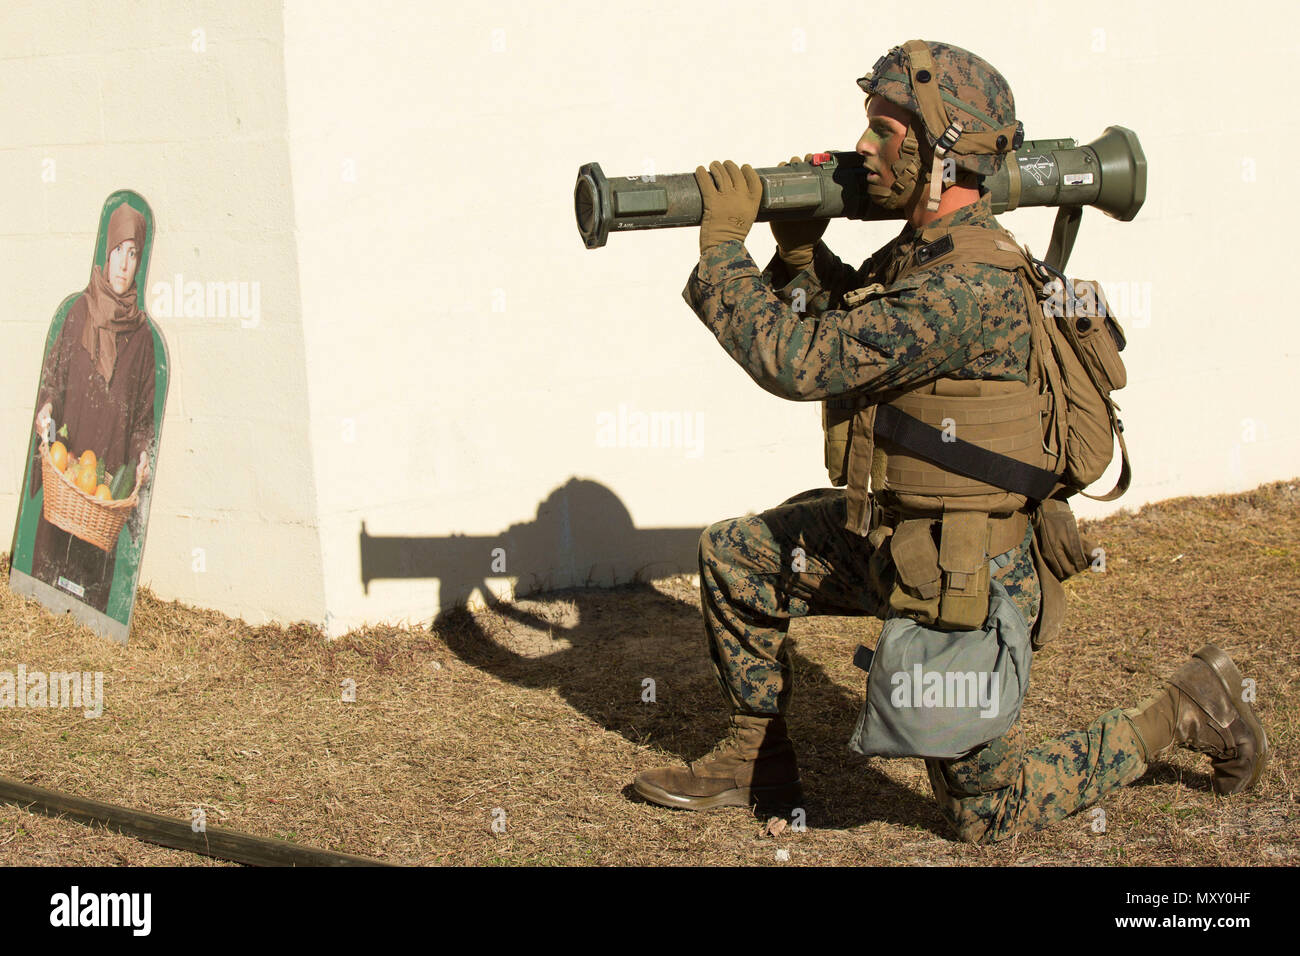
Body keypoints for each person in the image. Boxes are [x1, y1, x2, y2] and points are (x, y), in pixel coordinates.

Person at [632, 40, 1268, 842]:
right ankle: (754, 761)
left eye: (886, 131)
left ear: (941, 152)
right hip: (895, 537)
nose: (864, 145)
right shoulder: (926, 249)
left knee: (982, 813)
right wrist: (799, 254)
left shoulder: (968, 282)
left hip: (963, 577)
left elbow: (803, 361)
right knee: (739, 558)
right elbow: (859, 325)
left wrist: (724, 249)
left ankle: (1185, 709)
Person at [30, 201, 155, 614]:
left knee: (87, 602)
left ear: (139, 263)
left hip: (102, 494)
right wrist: (47, 410)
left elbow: (142, 419)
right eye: (118, 250)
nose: (123, 264)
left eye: (132, 254)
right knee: (47, 594)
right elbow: (53, 381)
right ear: (106, 252)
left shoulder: (142, 340)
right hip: (67, 480)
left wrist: (142, 455)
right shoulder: (78, 313)